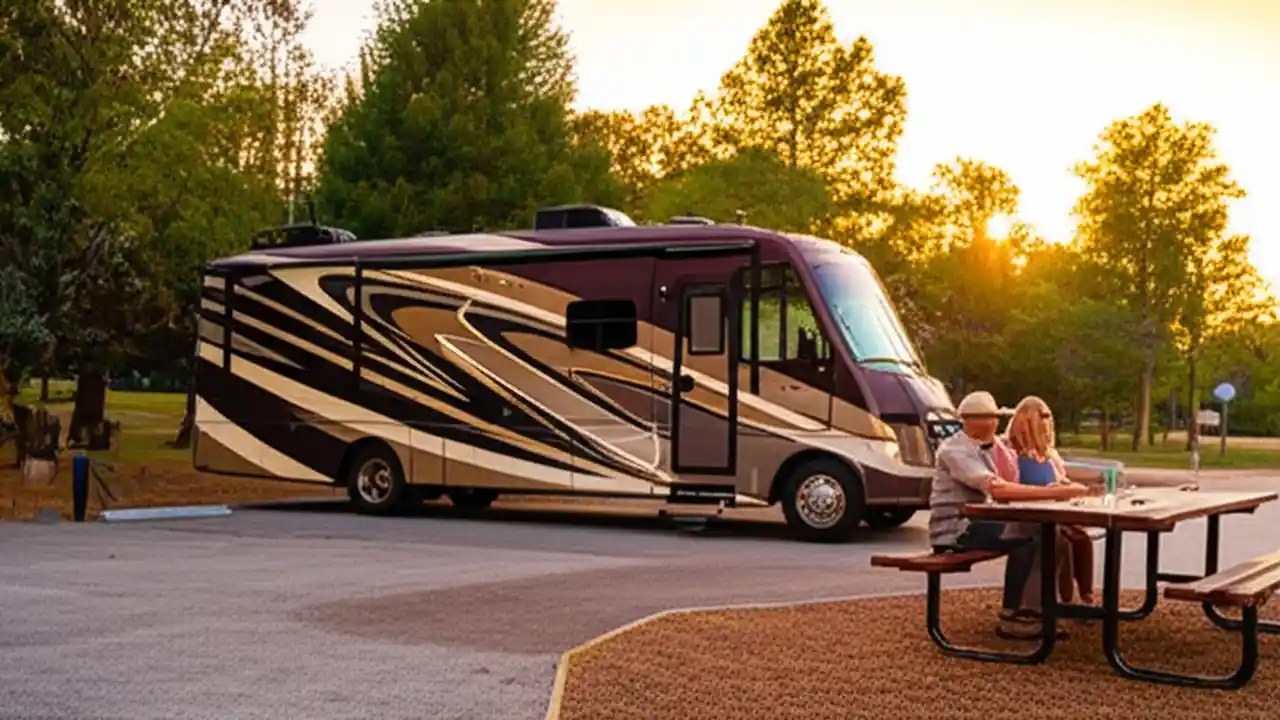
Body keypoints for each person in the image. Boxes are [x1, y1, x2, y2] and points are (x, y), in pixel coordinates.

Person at [929, 390, 1089, 638]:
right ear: (971, 421)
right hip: (958, 529)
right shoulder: (954, 450)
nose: (994, 423)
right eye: (988, 418)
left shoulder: (991, 446)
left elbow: (1011, 478)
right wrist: (1054, 493)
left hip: (983, 521)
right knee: (1035, 532)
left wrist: (1054, 488)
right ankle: (1016, 615)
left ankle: (1030, 610)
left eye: (994, 418)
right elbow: (997, 488)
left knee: (1052, 534)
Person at [1006, 396, 1096, 605]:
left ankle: (1084, 596)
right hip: (1026, 516)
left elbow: (1061, 481)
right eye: (1041, 417)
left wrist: (1066, 488)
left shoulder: (1049, 456)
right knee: (1059, 541)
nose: (1046, 424)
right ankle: (1054, 601)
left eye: (1048, 417)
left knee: (1080, 537)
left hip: (1053, 512)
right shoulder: (1011, 453)